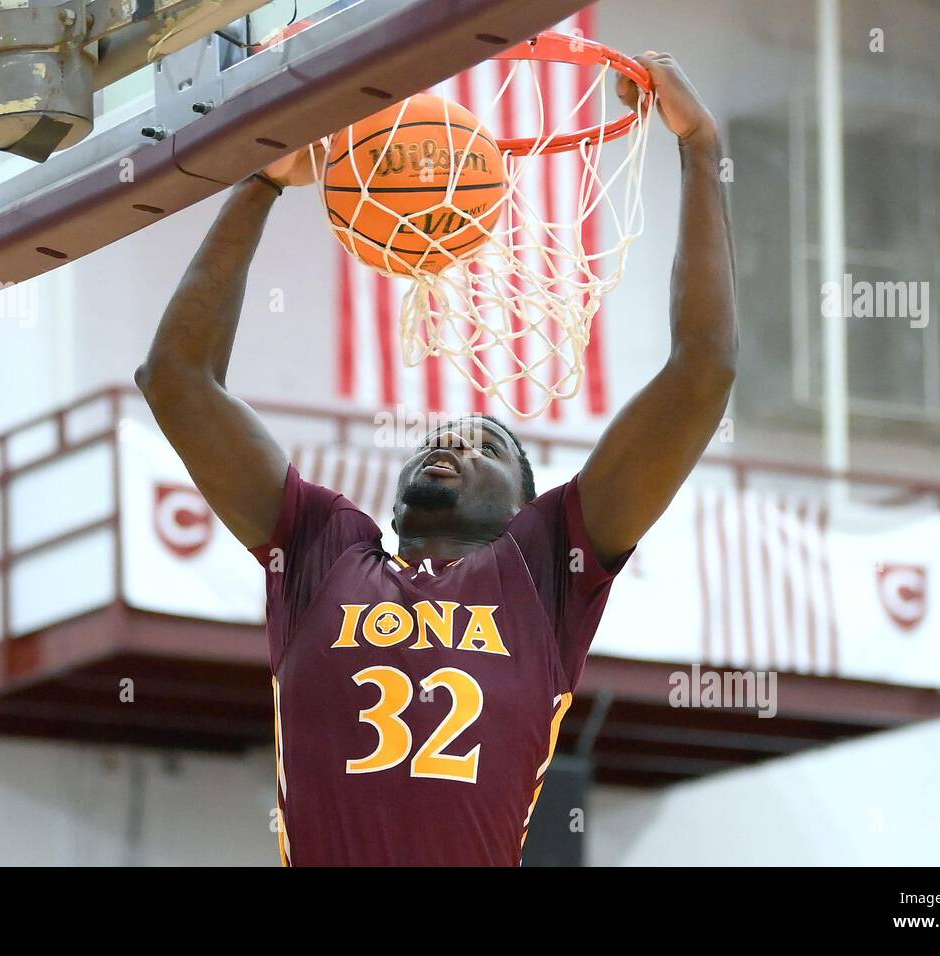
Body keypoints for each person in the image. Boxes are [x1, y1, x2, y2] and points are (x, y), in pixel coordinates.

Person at [135, 51, 737, 866]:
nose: (449, 443)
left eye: (483, 444)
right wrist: (264, 184)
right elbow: (174, 379)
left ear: (526, 507)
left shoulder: (543, 571)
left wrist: (700, 147)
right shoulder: (323, 549)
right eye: (435, 441)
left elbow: (703, 370)